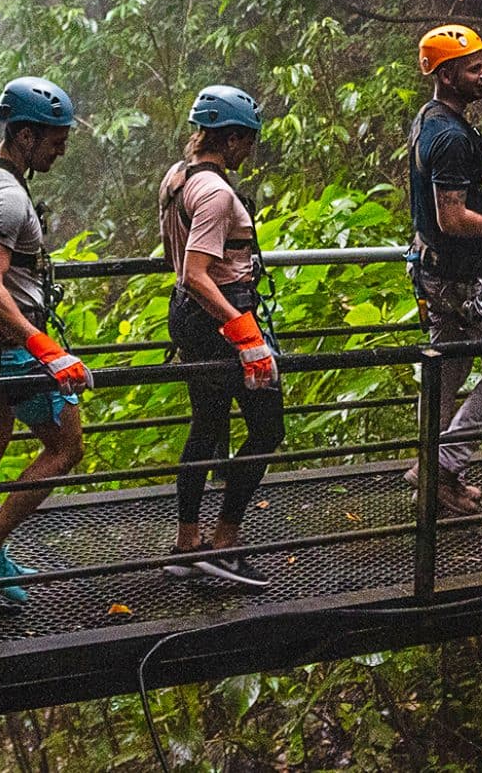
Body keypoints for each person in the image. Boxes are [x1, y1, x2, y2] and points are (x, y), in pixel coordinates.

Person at [0, 76, 92, 605]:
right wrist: (45, 349)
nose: (62, 149)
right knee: (66, 446)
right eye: (55, 139)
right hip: (13, 350)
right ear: (25, 136)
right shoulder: (5, 195)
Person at [155, 86, 282, 589]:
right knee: (268, 428)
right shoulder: (216, 193)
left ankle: (190, 545)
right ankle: (224, 545)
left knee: (207, 426)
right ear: (229, 138)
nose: (249, 150)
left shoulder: (178, 177)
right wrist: (244, 334)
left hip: (191, 319)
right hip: (219, 320)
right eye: (246, 140)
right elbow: (197, 273)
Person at [405, 24, 482, 517]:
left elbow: (446, 201)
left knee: (446, 371)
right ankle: (440, 464)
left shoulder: (429, 120)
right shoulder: (451, 136)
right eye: (475, 68)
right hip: (468, 279)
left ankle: (441, 483)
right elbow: (451, 217)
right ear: (449, 74)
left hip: (435, 273)